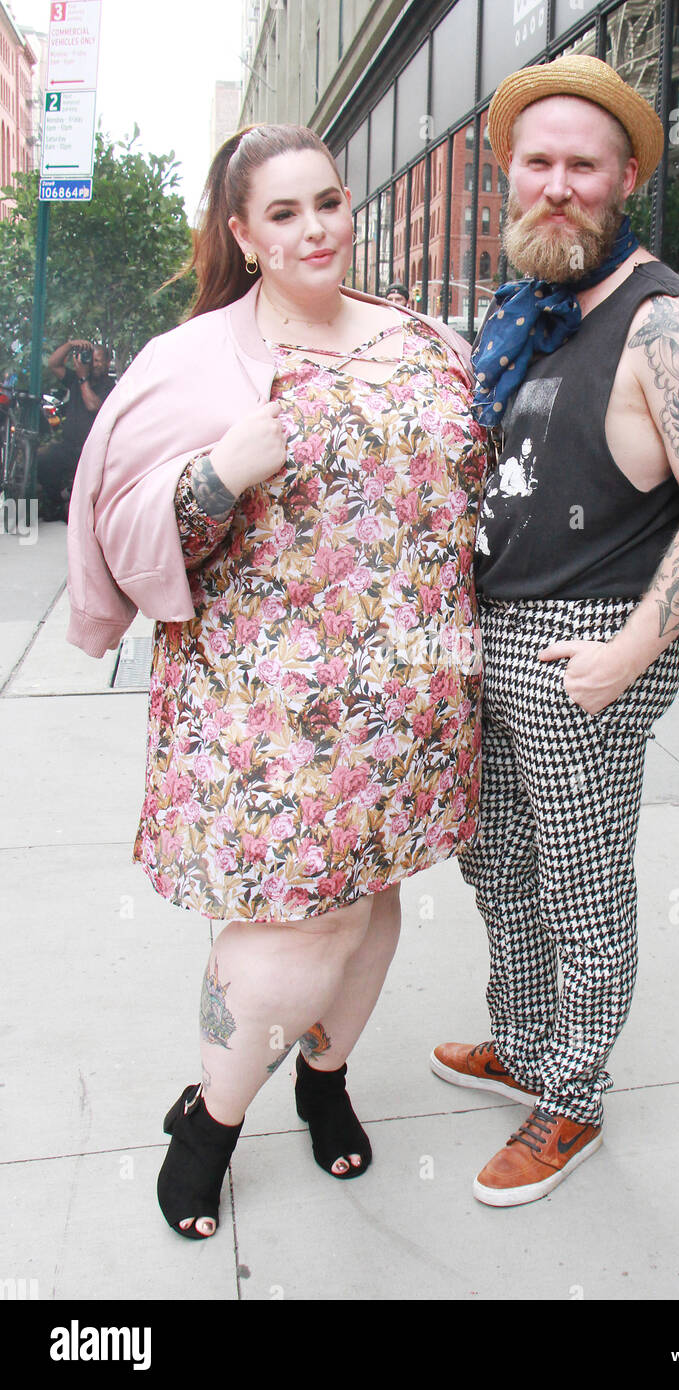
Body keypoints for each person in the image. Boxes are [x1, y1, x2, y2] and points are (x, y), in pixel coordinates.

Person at [66, 123, 487, 1239]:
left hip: (411, 703)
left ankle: (325, 1077)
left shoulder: (421, 339)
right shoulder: (198, 358)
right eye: (285, 212)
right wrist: (215, 473)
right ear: (245, 234)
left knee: (373, 902)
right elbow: (125, 536)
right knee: (287, 929)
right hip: (270, 712)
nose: (316, 228)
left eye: (330, 202)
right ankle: (210, 1119)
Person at [430, 55, 679, 1207]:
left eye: (583, 165)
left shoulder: (659, 316)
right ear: (508, 172)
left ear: (622, 180)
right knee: (497, 861)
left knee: (579, 883)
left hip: (585, 643)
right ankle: (521, 1040)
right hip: (493, 632)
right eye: (538, 162)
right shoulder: (528, 311)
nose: (557, 183)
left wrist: (625, 655)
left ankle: (571, 1093)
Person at [38, 339, 114, 521]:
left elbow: (92, 405)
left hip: (92, 452)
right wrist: (71, 344)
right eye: (91, 360)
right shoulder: (76, 379)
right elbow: (53, 364)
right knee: (42, 460)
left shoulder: (109, 386)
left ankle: (70, 505)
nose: (93, 364)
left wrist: (82, 378)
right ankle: (55, 502)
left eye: (97, 360)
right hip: (68, 446)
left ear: (107, 363)